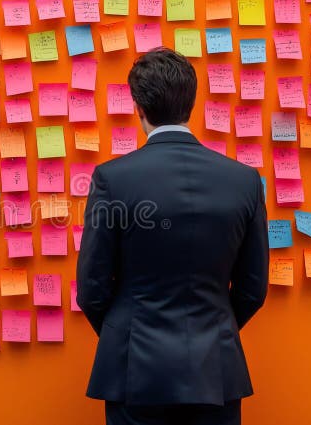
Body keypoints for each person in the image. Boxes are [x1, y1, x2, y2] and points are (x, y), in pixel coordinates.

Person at [76, 47, 269, 425]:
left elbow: (92, 289)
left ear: (139, 107)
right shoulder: (244, 181)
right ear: (191, 104)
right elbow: (252, 289)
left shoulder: (112, 179)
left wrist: (125, 334)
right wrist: (214, 329)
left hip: (133, 370)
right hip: (216, 370)